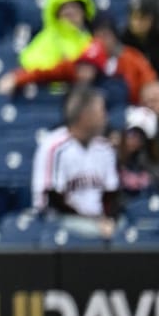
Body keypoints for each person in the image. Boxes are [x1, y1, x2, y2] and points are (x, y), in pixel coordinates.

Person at [0, 14, 156, 100]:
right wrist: (16, 78)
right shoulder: (87, 57)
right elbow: (48, 72)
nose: (102, 40)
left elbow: (150, 85)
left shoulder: (131, 59)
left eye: (106, 35)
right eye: (97, 35)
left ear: (115, 36)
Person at [31, 88, 119, 238]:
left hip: (99, 222)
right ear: (85, 115)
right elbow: (53, 199)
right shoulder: (54, 146)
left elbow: (111, 193)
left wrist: (107, 219)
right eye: (101, 111)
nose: (105, 117)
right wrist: (94, 222)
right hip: (60, 220)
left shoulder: (105, 148)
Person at [15, 0, 94, 75]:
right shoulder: (44, 41)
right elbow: (29, 70)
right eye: (64, 7)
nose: (70, 12)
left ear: (84, 11)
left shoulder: (93, 41)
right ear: (55, 13)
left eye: (75, 6)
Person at [118, 106, 159, 198]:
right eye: (132, 133)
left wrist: (150, 167)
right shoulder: (112, 158)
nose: (135, 140)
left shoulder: (158, 166)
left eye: (141, 137)